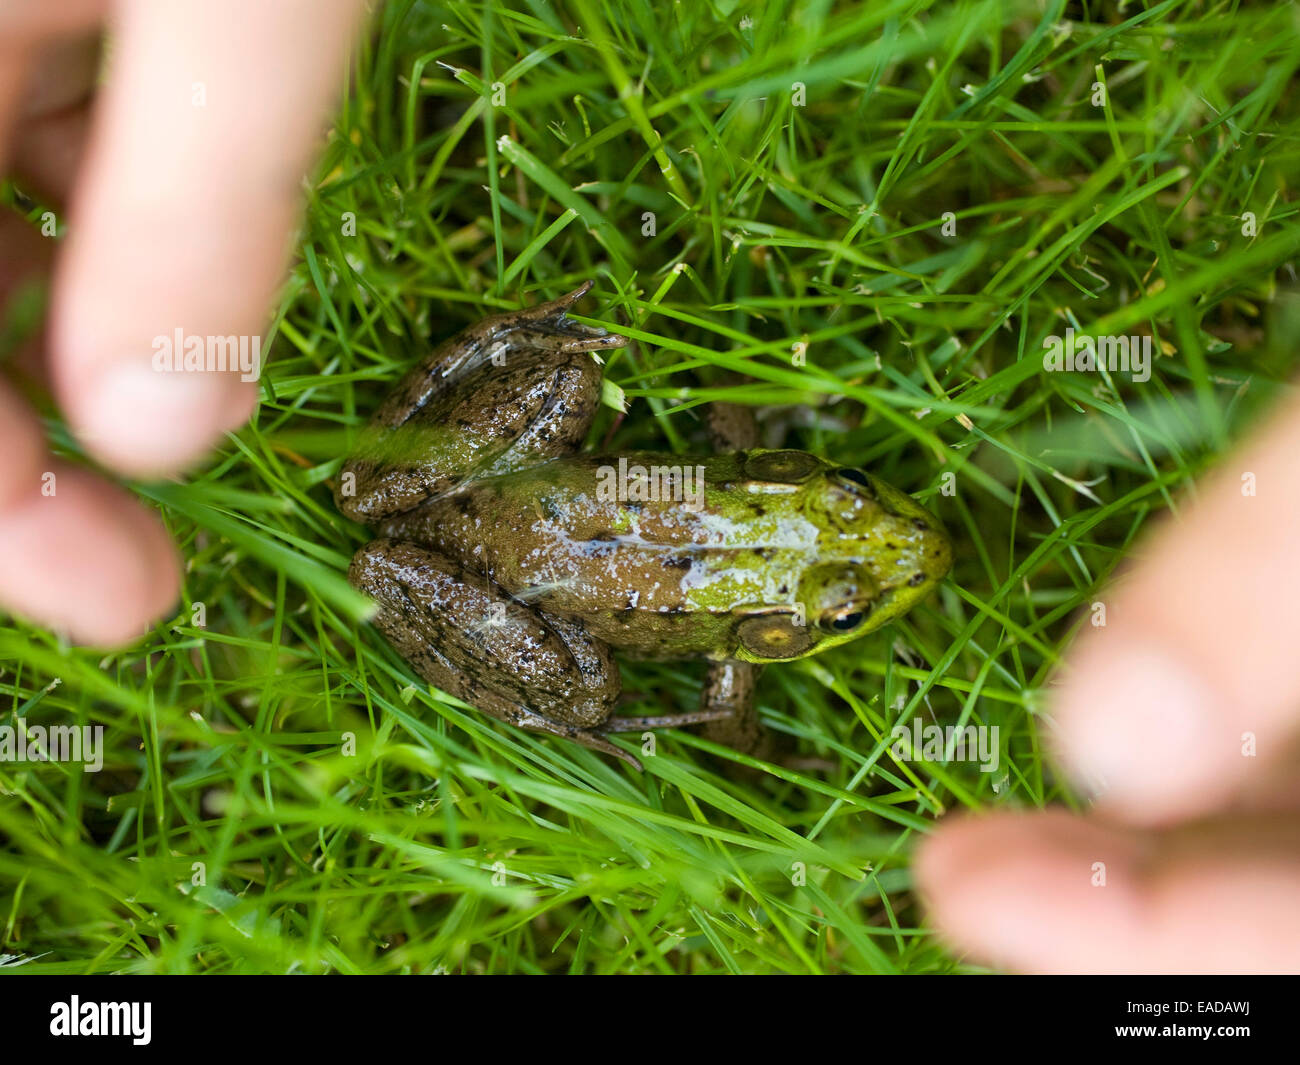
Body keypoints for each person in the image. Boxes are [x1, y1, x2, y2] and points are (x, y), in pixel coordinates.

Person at [2, 1, 1294, 975]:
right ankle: (515, 624)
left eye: (838, 582)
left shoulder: (736, 486)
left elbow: (732, 469)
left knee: (560, 395)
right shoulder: (738, 647)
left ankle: (478, 410)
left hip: (502, 503)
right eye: (842, 589)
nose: (880, 549)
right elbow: (727, 709)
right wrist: (749, 743)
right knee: (594, 681)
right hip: (493, 556)